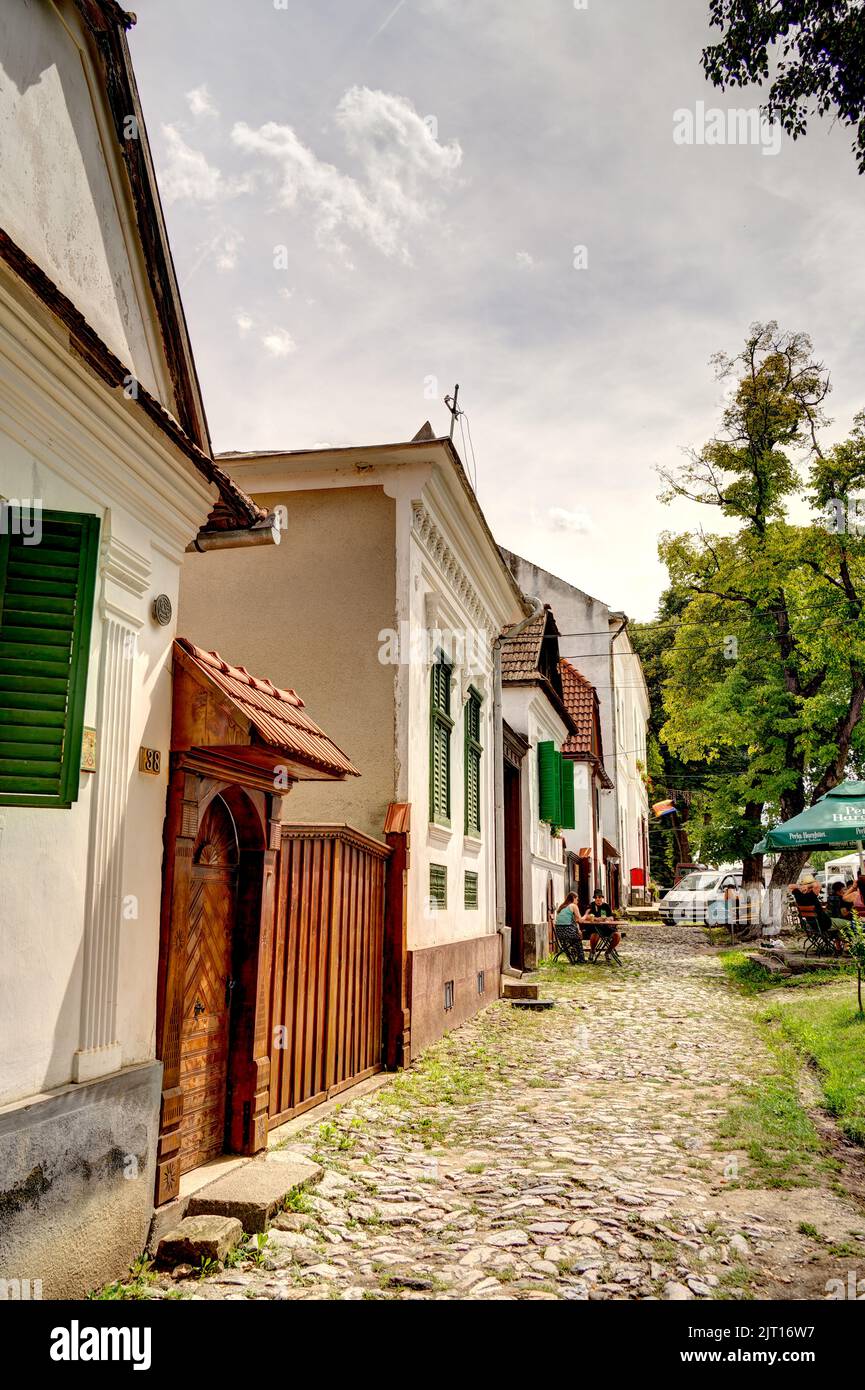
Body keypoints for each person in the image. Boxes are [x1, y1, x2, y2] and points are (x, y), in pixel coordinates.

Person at [582, 888, 621, 961]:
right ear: (594, 898)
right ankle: (592, 951)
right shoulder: (591, 905)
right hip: (595, 928)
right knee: (595, 935)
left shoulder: (606, 906)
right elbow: (586, 916)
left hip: (606, 927)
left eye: (599, 897)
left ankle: (608, 952)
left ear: (602, 898)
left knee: (617, 935)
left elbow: (611, 917)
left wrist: (607, 919)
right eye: (596, 897)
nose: (598, 899)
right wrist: (596, 919)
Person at [554, 892, 585, 963]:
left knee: (576, 935)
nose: (577, 901)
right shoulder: (573, 906)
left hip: (559, 933)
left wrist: (578, 929)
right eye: (577, 899)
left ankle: (573, 955)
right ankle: (580, 958)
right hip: (567, 931)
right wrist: (586, 914)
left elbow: (575, 920)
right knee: (578, 937)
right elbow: (580, 920)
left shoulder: (562, 906)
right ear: (573, 898)